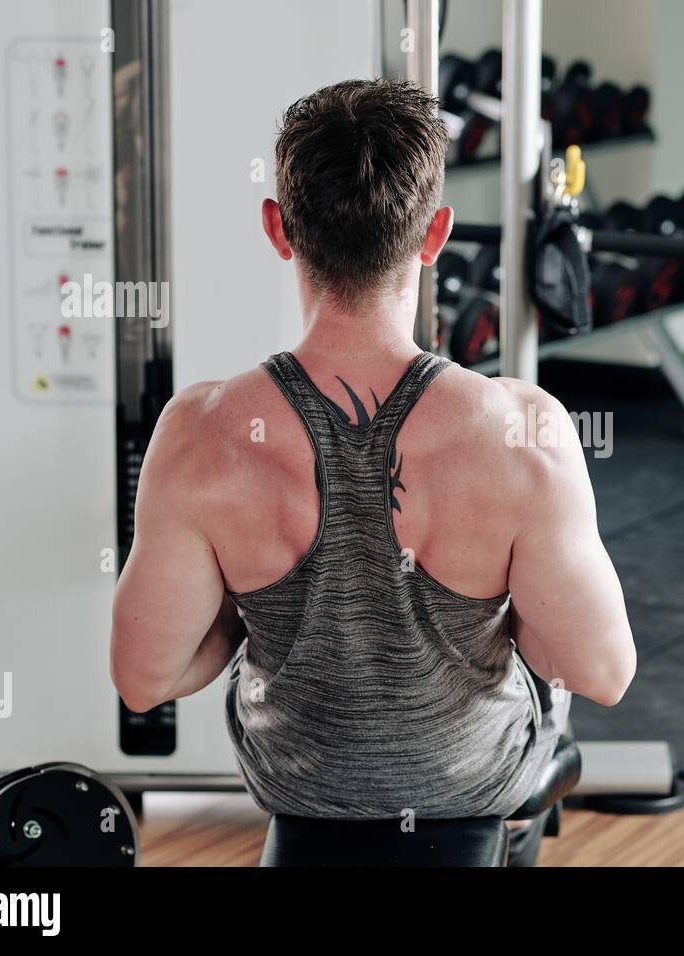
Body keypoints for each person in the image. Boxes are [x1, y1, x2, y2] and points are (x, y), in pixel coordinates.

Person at [110, 79, 635, 822]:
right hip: (474, 783)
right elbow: (602, 671)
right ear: (435, 234)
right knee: (554, 676)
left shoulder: (199, 430)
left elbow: (143, 679)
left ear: (278, 228)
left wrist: (249, 608)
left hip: (294, 786)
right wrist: (512, 615)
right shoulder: (526, 432)